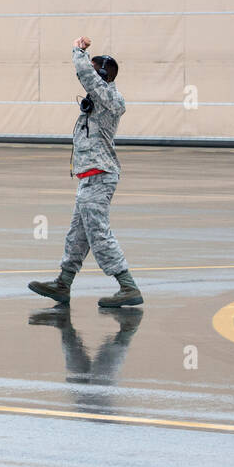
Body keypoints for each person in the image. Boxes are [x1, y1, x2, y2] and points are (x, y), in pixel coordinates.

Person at [29, 36, 142, 309]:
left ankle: (128, 286)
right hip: (90, 177)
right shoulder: (99, 98)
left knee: (98, 233)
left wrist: (78, 52)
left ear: (101, 75)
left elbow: (86, 77)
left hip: (100, 175)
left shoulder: (109, 98)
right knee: (77, 235)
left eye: (94, 71)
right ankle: (63, 283)